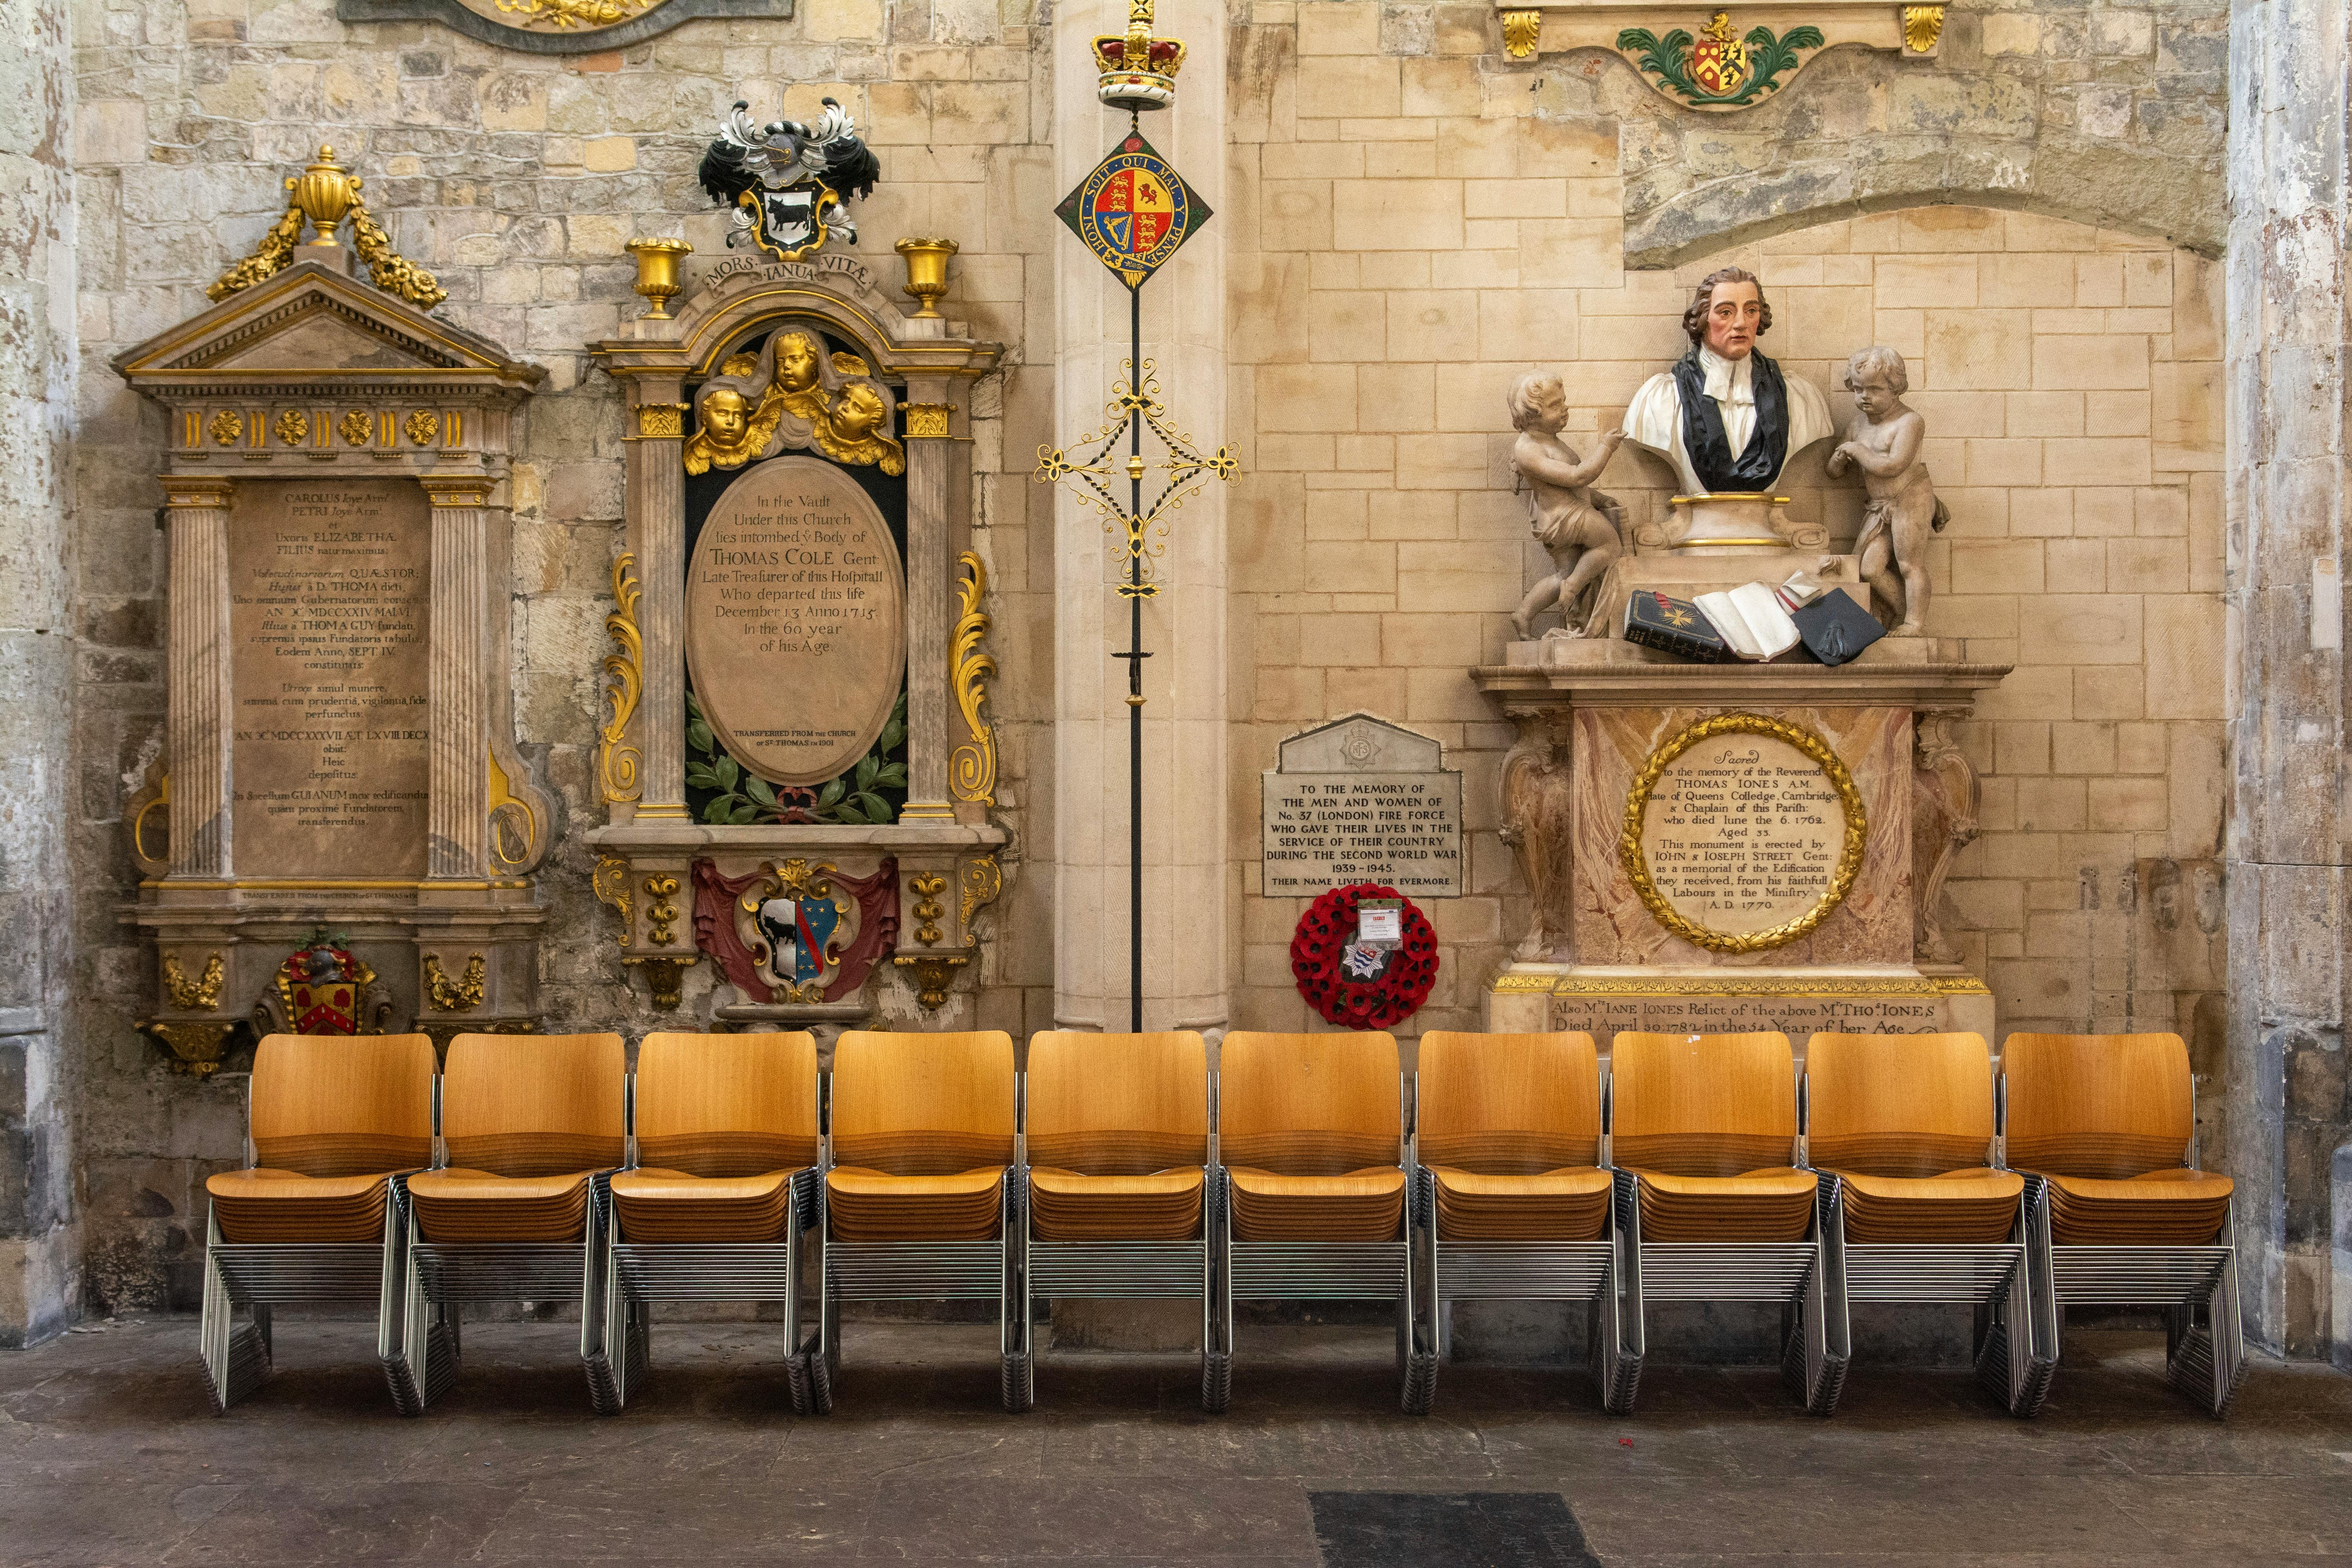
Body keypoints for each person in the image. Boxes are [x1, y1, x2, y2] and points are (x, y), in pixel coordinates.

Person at [1621, 266, 1834, 495]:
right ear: (1703, 319)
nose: (1741, 323)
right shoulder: (1660, 400)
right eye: (1726, 313)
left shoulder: (1799, 398)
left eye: (1751, 310)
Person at [1829, 344, 1946, 635]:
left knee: (1909, 564)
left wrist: (1857, 451)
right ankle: (1899, 611)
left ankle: (1915, 624)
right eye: (1858, 389)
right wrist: (1838, 458)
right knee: (1869, 569)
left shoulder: (1910, 422)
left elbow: (1894, 465)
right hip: (1879, 505)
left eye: (1875, 389)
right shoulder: (1858, 425)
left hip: (1911, 498)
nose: (1865, 396)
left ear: (1896, 389)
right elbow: (1833, 473)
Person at [1506, 371, 1625, 639]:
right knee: (1610, 545)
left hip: (1565, 514)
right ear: (1531, 414)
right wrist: (1605, 448)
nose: (1564, 409)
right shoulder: (1528, 450)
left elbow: (1570, 485)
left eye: (1563, 401)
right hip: (1564, 519)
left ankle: (1524, 613)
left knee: (1563, 573)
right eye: (1554, 405)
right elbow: (1578, 476)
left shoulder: (1549, 439)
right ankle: (1573, 586)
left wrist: (1598, 498)